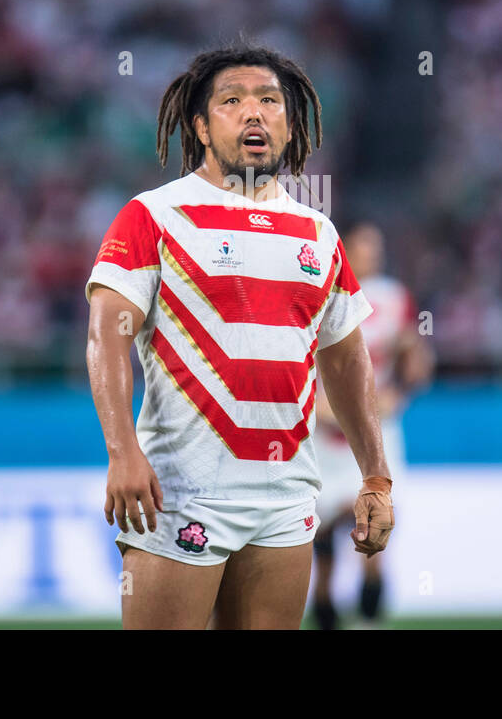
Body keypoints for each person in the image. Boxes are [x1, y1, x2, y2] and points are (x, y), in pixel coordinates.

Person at [85, 43, 394, 629]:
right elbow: (106, 334)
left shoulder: (318, 233)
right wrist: (122, 451)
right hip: (179, 495)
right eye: (233, 101)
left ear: (289, 122)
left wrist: (375, 475)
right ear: (200, 126)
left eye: (270, 101)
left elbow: (348, 361)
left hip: (285, 500)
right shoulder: (152, 215)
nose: (255, 113)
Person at [311, 221, 433, 628]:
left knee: (374, 516)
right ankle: (325, 599)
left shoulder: (392, 297)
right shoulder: (316, 292)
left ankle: (370, 593)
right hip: (323, 433)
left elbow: (412, 352)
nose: (371, 255)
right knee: (322, 523)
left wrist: (403, 387)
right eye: (363, 246)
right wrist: (319, 405)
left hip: (375, 428)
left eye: (375, 247)